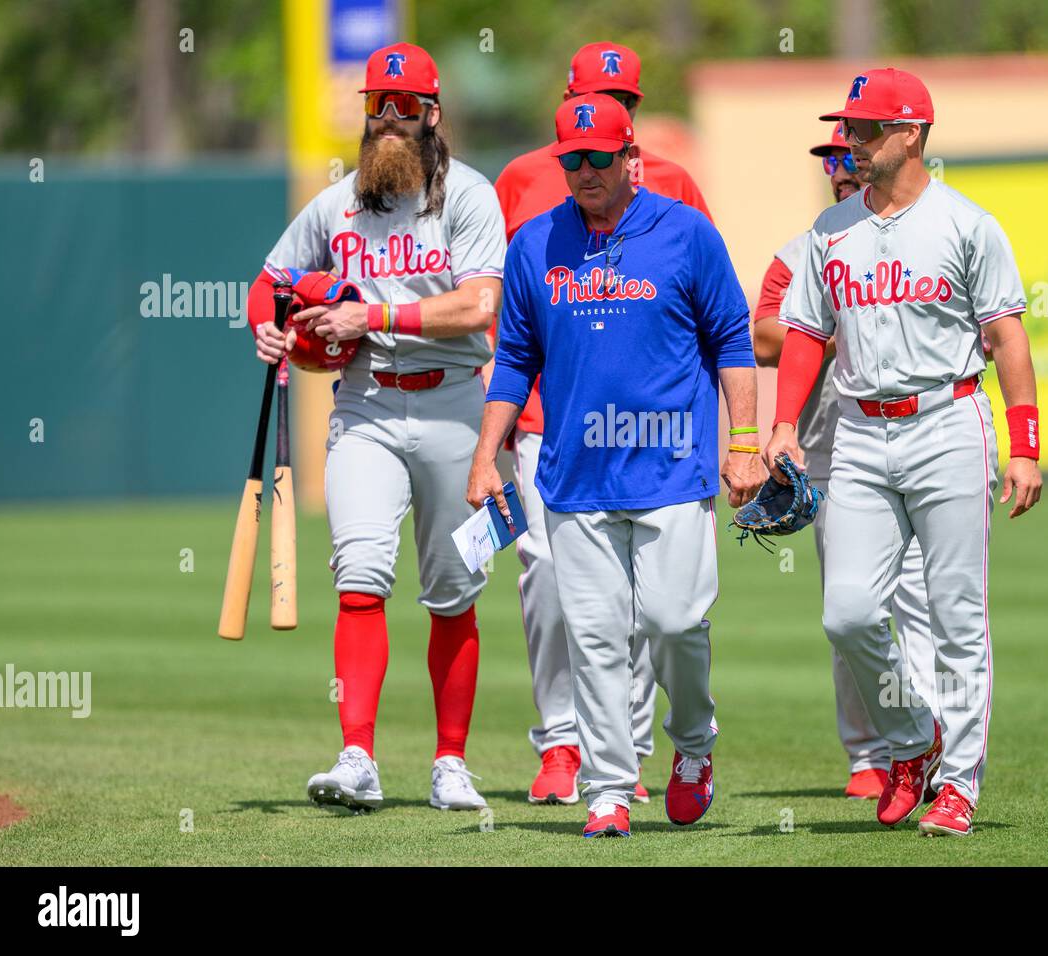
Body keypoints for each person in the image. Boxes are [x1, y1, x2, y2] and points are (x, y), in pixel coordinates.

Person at [468, 94, 765, 837]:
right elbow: (512, 360)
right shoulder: (536, 244)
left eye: (601, 156)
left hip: (670, 465)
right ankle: (608, 786)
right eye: (573, 158)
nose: (586, 170)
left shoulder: (686, 232)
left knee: (673, 622)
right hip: (575, 475)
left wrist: (745, 441)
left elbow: (733, 337)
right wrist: (484, 456)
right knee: (594, 635)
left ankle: (692, 746)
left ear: (632, 158)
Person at [765, 68, 1043, 837]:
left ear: (911, 133)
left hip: (948, 421)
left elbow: (1008, 336)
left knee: (956, 616)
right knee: (848, 612)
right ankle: (910, 739)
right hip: (856, 430)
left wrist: (1025, 445)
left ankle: (959, 784)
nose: (849, 139)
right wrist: (785, 423)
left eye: (864, 127)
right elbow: (807, 336)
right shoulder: (831, 231)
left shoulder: (965, 224)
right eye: (847, 127)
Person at [247, 42, 506, 814]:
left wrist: (377, 313)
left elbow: (480, 307)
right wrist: (267, 328)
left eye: (403, 107)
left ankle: (450, 764)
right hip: (362, 404)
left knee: (453, 592)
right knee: (360, 574)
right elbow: (271, 281)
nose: (387, 121)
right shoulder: (338, 203)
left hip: (456, 403)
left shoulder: (467, 195)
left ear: (432, 115)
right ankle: (357, 755)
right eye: (375, 107)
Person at [493, 42, 712, 806]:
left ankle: (633, 747)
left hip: (654, 435)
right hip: (545, 423)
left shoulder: (675, 182)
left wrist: (722, 437)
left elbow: (707, 317)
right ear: (567, 100)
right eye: (598, 96)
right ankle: (561, 741)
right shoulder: (523, 180)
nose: (616, 112)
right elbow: (506, 309)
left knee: (653, 605)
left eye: (626, 99)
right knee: (553, 583)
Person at [753, 125, 939, 801]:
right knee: (850, 611)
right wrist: (828, 329)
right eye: (829, 159)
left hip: (913, 442)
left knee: (919, 604)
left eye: (845, 155)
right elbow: (765, 331)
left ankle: (927, 739)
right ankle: (867, 753)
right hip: (831, 455)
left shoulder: (920, 234)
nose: (837, 168)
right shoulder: (805, 247)